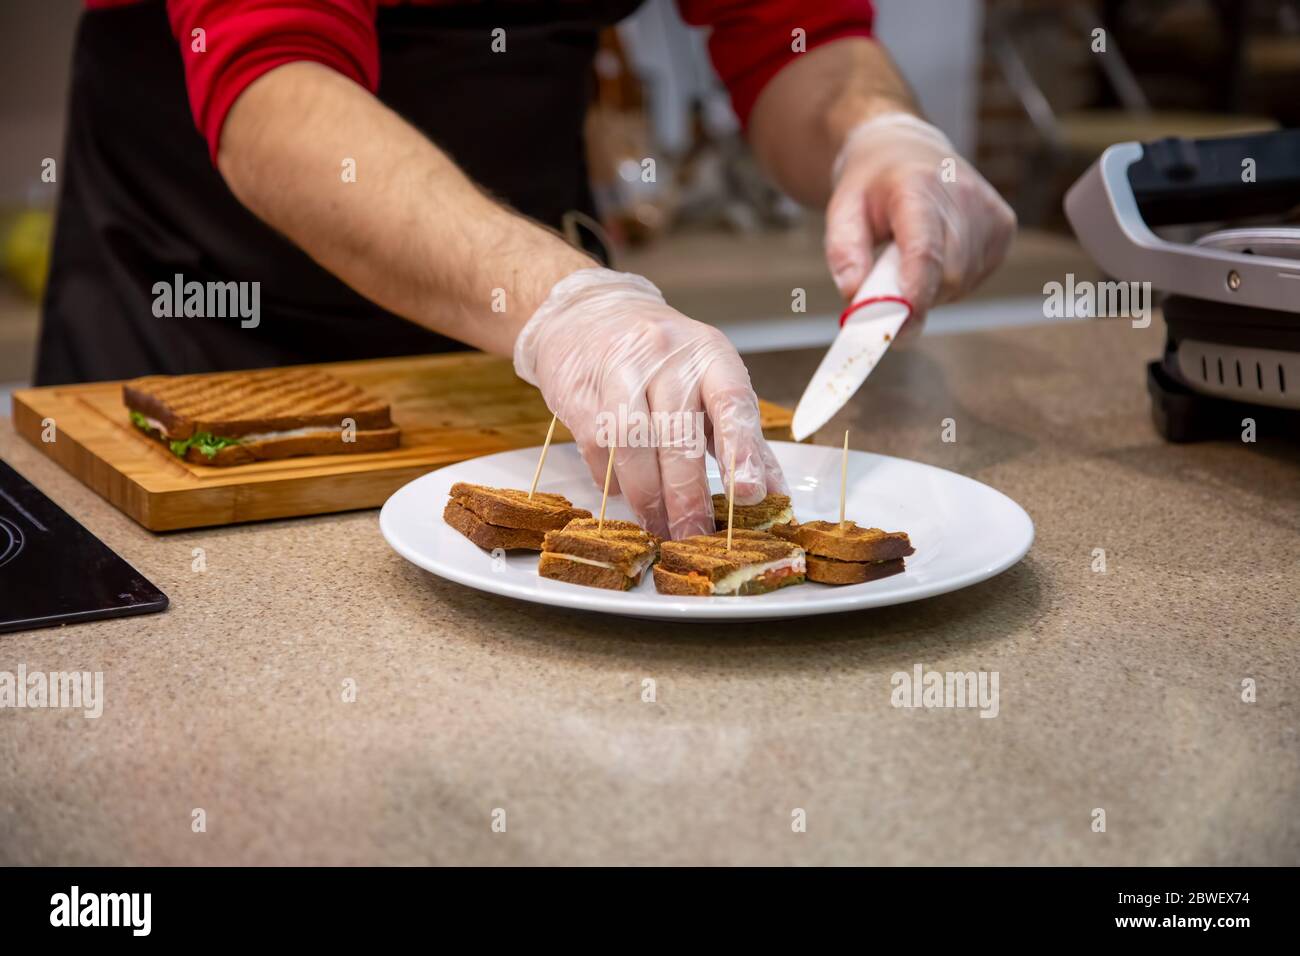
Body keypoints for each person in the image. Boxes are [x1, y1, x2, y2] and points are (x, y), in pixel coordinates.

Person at [35, 0, 1015, 539]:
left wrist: (875, 130)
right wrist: (564, 303)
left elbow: (793, 36)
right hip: (208, 312)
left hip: (523, 344)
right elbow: (274, 84)